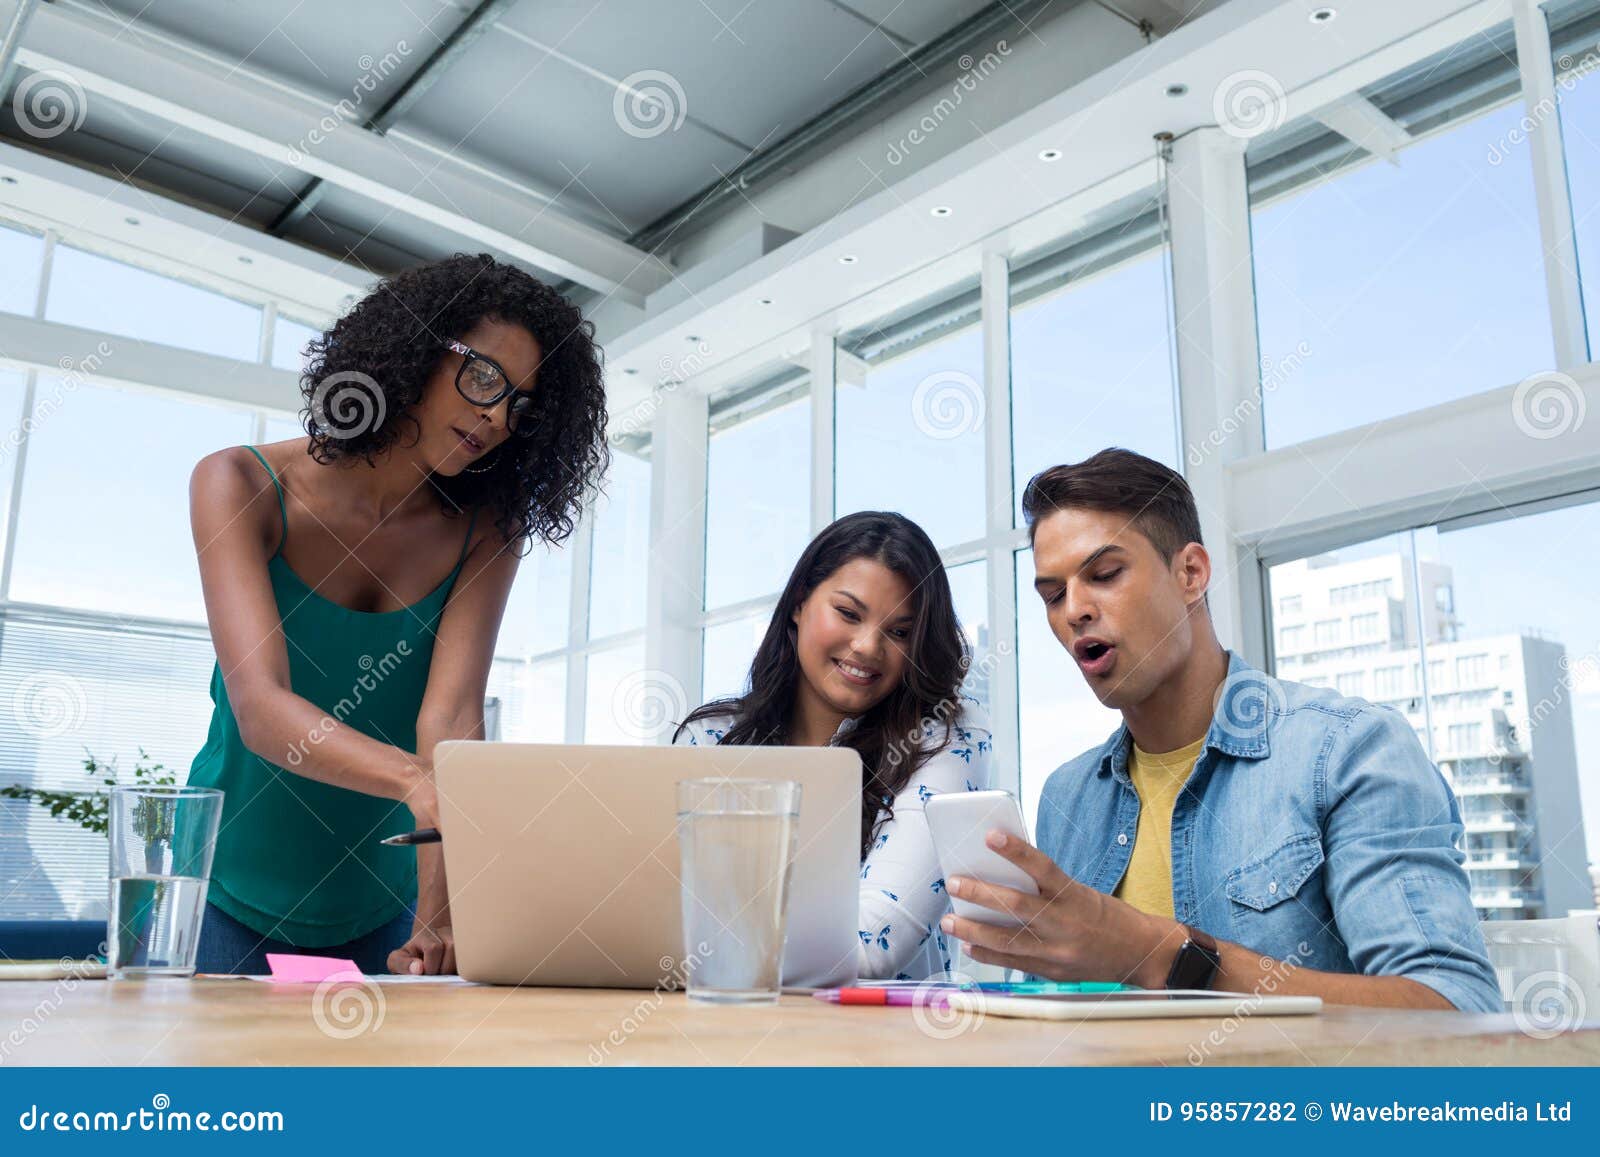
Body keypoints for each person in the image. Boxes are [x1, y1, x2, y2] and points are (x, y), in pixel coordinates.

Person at [938, 448, 1501, 1011]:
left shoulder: (1348, 750)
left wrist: (1158, 953)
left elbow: (1456, 1009)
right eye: (1053, 595)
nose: (1075, 610)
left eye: (1104, 575)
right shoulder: (1070, 794)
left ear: (1190, 574)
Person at [188, 253, 607, 975]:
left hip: (381, 910)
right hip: (221, 895)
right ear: (414, 348)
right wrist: (415, 780)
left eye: (522, 405)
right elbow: (260, 707)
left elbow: (449, 723)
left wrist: (436, 920)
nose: (497, 417)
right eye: (482, 377)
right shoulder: (240, 482)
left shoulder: (487, 529)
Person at [674, 512, 993, 981]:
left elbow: (871, 946)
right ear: (800, 603)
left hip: (883, 1047)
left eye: (900, 632)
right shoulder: (710, 738)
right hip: (725, 1031)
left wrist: (716, 942)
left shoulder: (947, 737)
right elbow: (661, 917)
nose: (867, 646)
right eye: (848, 613)